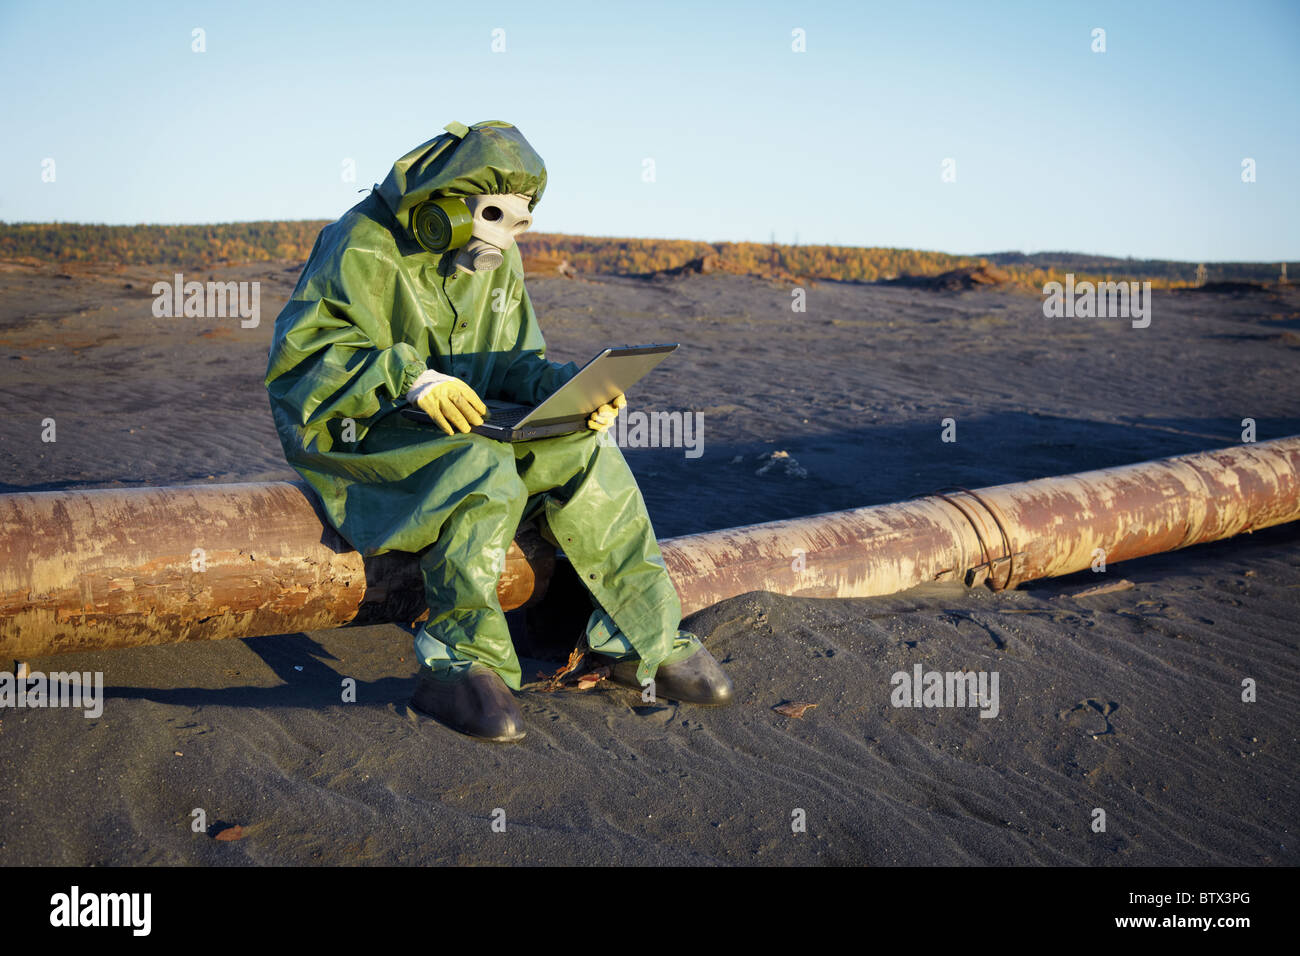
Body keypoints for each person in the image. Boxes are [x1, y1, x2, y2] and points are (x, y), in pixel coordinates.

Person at [265, 121, 732, 743]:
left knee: (586, 451)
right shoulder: (359, 243)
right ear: (444, 204)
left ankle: (639, 639)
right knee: (478, 466)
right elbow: (306, 357)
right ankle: (459, 666)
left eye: (518, 223)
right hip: (360, 428)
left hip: (466, 421)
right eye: (494, 216)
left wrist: (570, 392)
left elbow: (516, 360)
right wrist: (412, 379)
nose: (506, 238)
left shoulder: (497, 261)